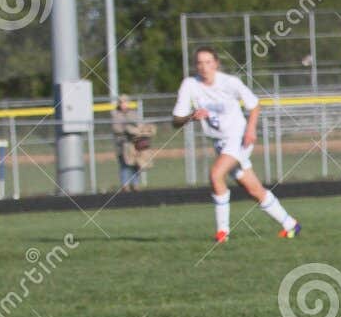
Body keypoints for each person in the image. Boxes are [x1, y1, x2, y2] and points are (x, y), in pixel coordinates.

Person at [171, 46, 300, 243]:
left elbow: (254, 105)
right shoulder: (190, 85)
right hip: (220, 143)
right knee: (253, 189)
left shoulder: (230, 83)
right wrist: (191, 117)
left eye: (208, 62)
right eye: (199, 63)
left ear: (216, 64)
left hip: (238, 138)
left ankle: (222, 232)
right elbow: (176, 121)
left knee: (216, 175)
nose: (204, 67)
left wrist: (251, 129)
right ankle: (291, 224)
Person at [111, 95, 153, 191]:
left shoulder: (133, 114)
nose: (124, 104)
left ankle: (135, 185)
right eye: (122, 102)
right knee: (125, 165)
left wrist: (141, 130)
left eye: (126, 102)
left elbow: (140, 125)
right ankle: (125, 185)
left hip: (134, 145)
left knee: (135, 164)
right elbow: (117, 129)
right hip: (122, 145)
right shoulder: (116, 115)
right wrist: (127, 129)